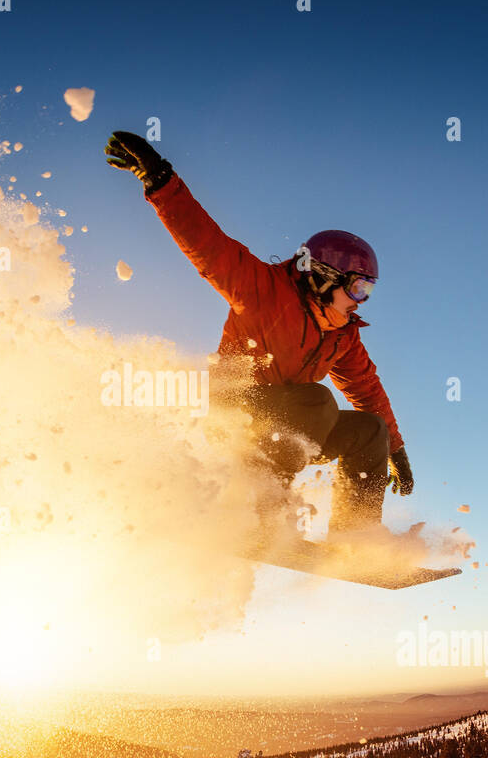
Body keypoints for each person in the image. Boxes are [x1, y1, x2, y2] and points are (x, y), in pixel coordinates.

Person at [104, 130, 414, 546]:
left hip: (290, 428)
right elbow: (206, 244)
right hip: (231, 414)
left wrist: (395, 449)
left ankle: (356, 538)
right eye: (359, 288)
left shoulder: (343, 336)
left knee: (368, 429)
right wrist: (160, 180)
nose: (362, 301)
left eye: (369, 292)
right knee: (316, 399)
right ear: (324, 275)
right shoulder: (261, 289)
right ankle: (258, 510)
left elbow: (366, 388)